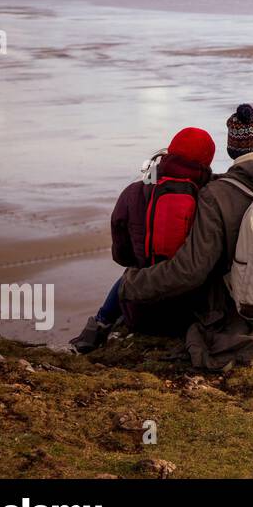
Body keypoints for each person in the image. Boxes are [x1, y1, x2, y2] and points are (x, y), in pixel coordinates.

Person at [119, 104, 253, 369]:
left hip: (242, 307)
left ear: (231, 151)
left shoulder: (216, 195)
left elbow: (191, 270)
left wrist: (133, 284)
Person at [71, 127, 215, 353]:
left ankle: (99, 324)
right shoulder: (209, 197)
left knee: (134, 270)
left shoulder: (134, 192)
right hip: (189, 315)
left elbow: (122, 255)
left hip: (139, 313)